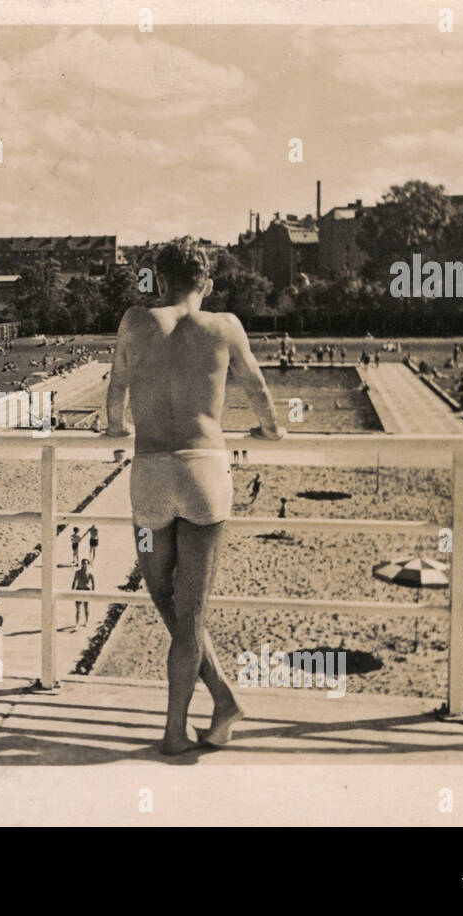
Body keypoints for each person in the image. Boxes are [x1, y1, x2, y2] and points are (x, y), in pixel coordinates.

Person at [105, 237, 284, 754]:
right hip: (206, 474)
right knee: (191, 613)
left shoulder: (135, 321)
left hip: (150, 475)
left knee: (165, 597)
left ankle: (206, 712)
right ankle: (190, 722)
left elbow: (115, 391)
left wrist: (115, 428)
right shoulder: (224, 326)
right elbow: (259, 392)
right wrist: (272, 432)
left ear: (160, 280)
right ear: (205, 282)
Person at [72, 559, 95, 630]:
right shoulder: (77, 572)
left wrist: (92, 592)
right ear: (81, 564)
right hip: (78, 590)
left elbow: (93, 584)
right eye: (83, 564)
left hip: (86, 591)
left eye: (86, 564)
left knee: (86, 608)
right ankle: (77, 624)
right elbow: (74, 582)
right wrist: (72, 592)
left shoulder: (90, 574)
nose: (85, 565)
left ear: (88, 564)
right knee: (78, 609)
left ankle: (86, 621)